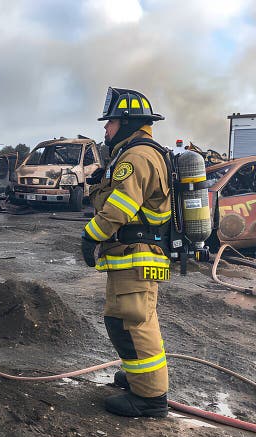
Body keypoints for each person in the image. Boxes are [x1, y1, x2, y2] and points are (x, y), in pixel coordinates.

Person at [81, 87, 172, 418]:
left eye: (112, 122)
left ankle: (150, 398)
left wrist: (90, 237)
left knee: (133, 323)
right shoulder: (135, 153)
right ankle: (139, 379)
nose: (106, 129)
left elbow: (120, 207)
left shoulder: (136, 157)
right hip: (132, 254)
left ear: (129, 122)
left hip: (138, 254)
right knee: (123, 319)